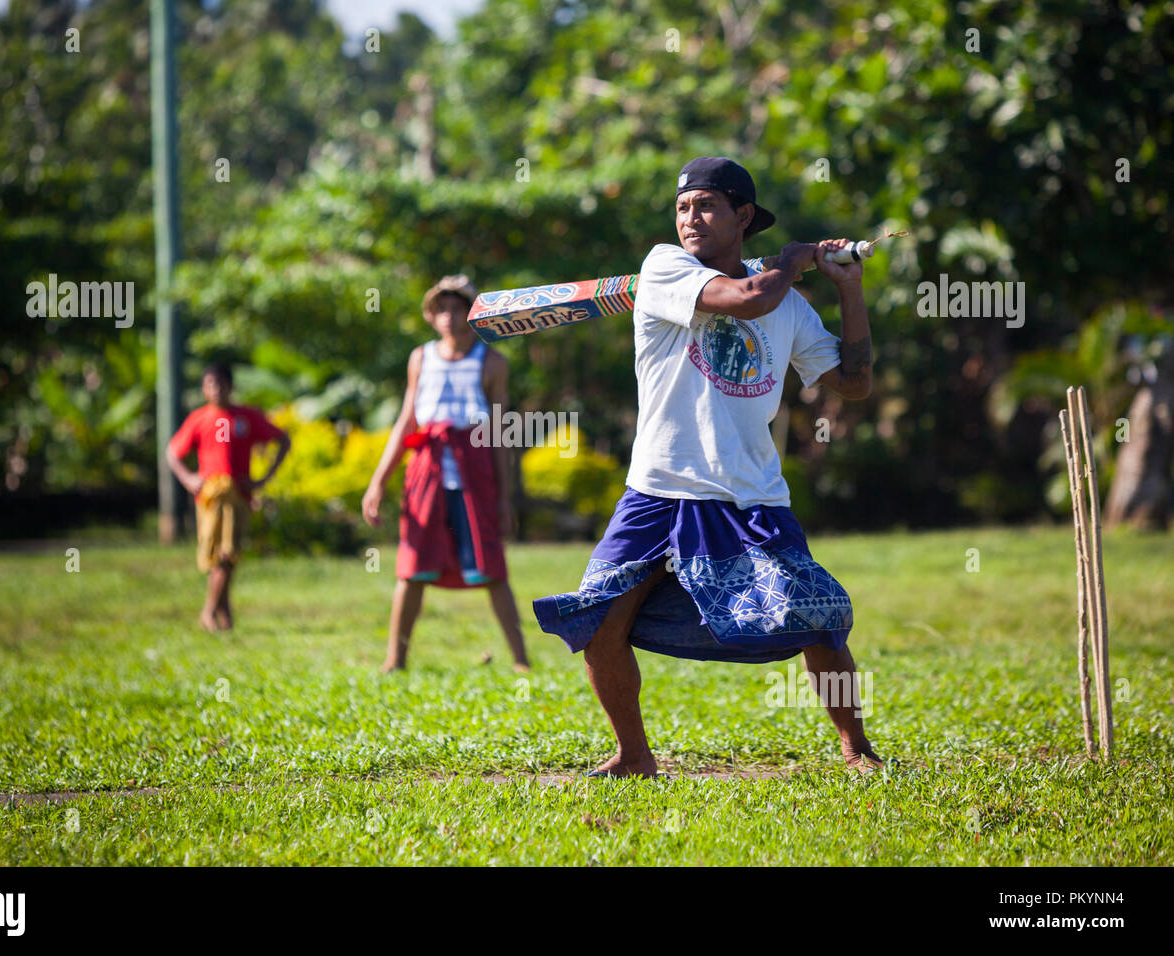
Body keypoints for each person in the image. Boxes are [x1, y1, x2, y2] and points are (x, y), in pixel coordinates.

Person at [534, 157, 886, 777]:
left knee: (819, 620)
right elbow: (746, 300)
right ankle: (634, 755)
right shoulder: (665, 267)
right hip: (657, 490)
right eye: (682, 208)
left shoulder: (791, 304)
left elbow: (852, 384)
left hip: (750, 496)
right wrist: (794, 260)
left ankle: (856, 746)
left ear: (743, 217)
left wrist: (848, 289)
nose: (689, 220)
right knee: (598, 619)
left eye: (705, 207)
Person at [363, 275, 530, 673]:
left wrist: (505, 498)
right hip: (426, 470)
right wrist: (378, 481)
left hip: (475, 473)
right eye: (441, 309)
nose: (449, 316)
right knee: (412, 567)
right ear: (432, 316)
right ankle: (395, 659)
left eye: (457, 308)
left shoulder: (491, 362)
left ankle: (521, 659)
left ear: (471, 314)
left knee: (492, 568)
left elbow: (500, 435)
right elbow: (407, 420)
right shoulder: (421, 358)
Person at [166, 361, 290, 632]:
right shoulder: (199, 418)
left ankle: (213, 611)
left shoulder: (246, 417)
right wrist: (188, 479)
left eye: (221, 384)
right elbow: (173, 452)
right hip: (209, 499)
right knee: (217, 555)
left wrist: (263, 479)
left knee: (228, 554)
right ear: (203, 389)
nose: (216, 390)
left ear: (231, 387)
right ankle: (220, 612)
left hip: (239, 497)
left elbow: (283, 439)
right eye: (210, 384)